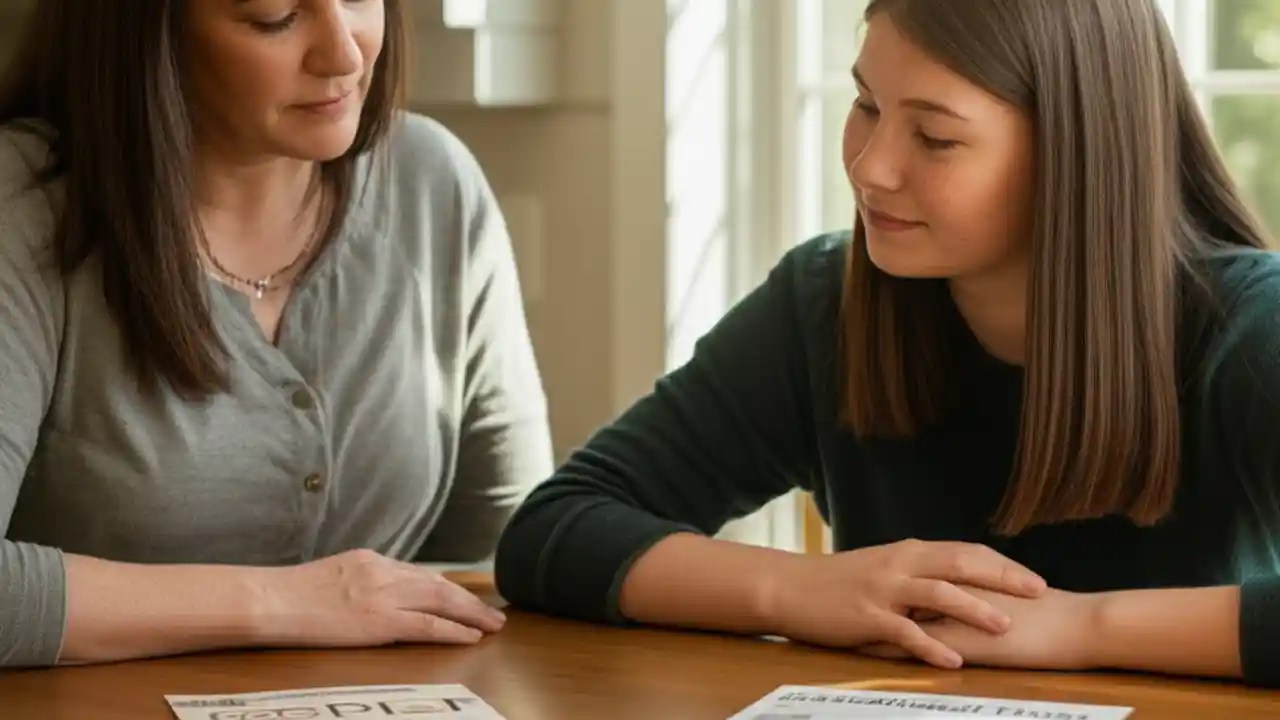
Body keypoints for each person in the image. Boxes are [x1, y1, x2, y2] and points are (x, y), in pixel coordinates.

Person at [495, 0, 1280, 688]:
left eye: (935, 137)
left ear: (1079, 153)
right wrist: (803, 591)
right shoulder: (821, 304)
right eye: (867, 105)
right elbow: (557, 531)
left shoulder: (1253, 328)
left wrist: (1080, 628)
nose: (871, 168)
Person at [0, 0, 552, 667]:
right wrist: (285, 603)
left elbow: (501, 557)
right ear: (147, 32)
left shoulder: (433, 183)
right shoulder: (21, 206)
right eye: (275, 17)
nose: (344, 55)